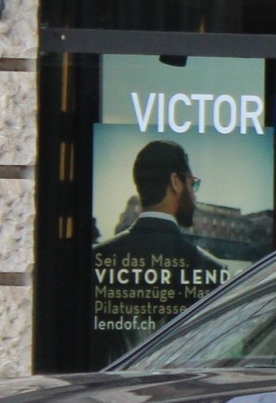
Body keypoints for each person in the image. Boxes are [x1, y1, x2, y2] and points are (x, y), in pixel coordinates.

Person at [88, 140, 230, 366]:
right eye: (192, 184)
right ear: (175, 182)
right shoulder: (212, 269)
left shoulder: (95, 259)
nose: (194, 195)